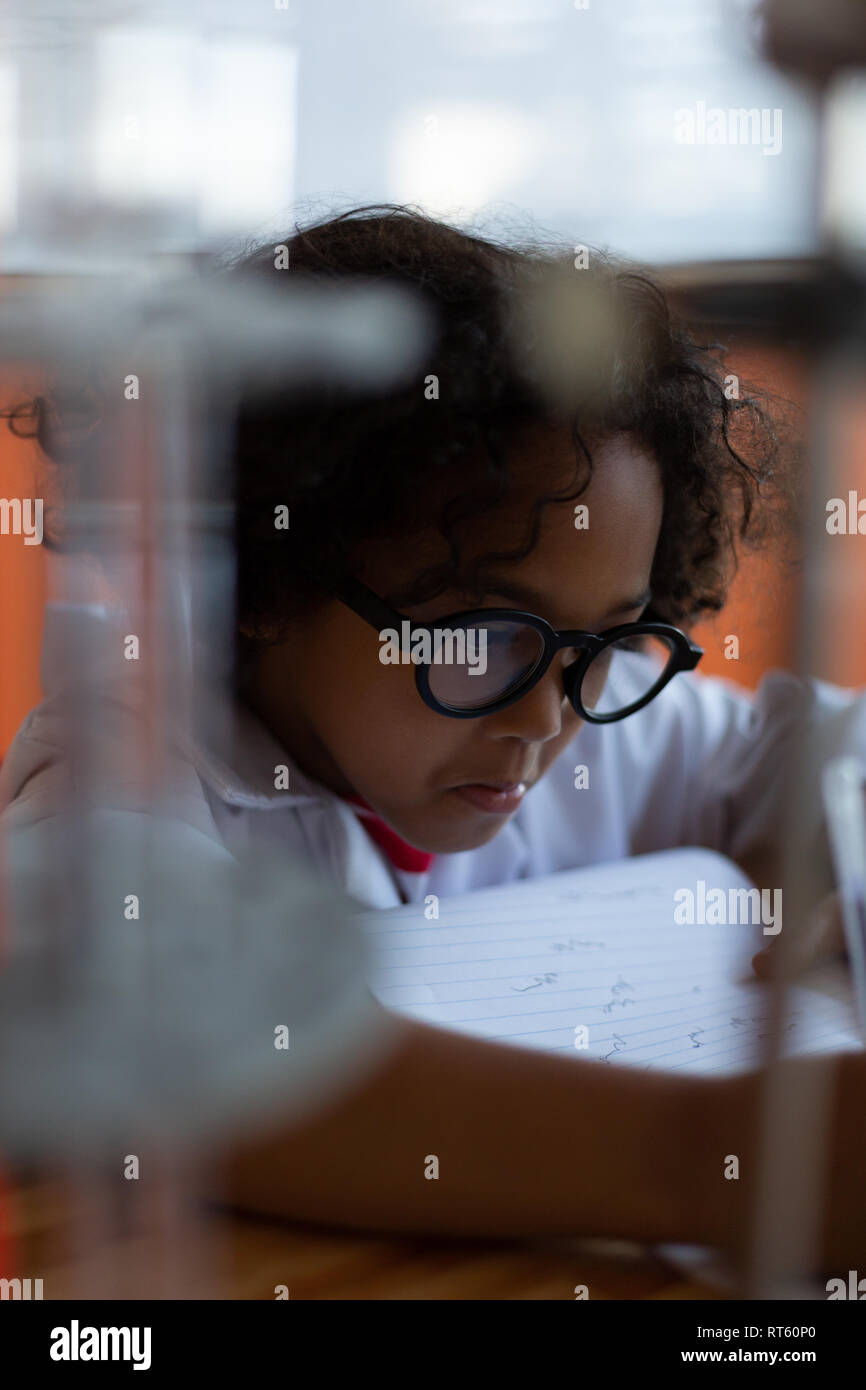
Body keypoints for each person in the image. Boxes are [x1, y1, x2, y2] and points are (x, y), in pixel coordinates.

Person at [2, 206, 865, 1269]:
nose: (545, 719)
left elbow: (829, 754)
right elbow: (148, 1029)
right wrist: (716, 1158)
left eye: (607, 636)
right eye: (485, 633)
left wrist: (826, 871)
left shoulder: (585, 702)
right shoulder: (122, 756)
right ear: (269, 579)